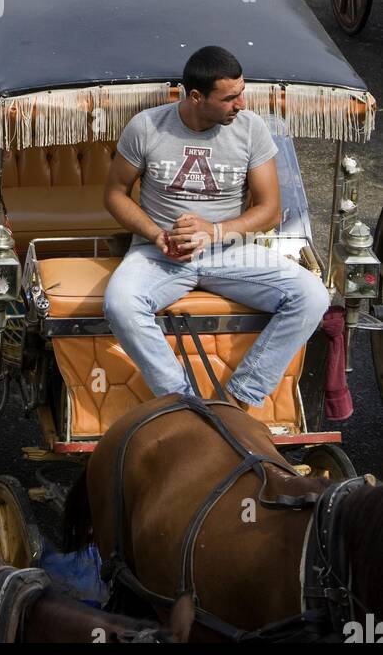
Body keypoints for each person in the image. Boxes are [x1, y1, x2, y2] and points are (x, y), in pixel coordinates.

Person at [103, 46, 329, 411]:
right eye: (230, 97)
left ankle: (241, 399)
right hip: (159, 254)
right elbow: (115, 195)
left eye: (242, 91)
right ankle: (184, 404)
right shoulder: (146, 126)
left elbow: (270, 210)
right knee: (120, 304)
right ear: (196, 97)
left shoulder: (252, 128)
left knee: (313, 295)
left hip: (229, 251)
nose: (241, 103)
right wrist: (156, 234)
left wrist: (214, 231)